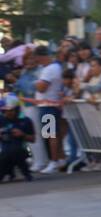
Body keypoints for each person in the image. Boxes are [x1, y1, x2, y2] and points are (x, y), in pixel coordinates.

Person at [32, 45, 67, 174]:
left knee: (51, 135)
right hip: (49, 105)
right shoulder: (53, 67)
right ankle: (60, 159)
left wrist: (35, 83)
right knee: (54, 135)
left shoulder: (49, 69)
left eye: (36, 57)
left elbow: (41, 87)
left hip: (48, 105)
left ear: (40, 56)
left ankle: (54, 161)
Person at [0, 94, 35, 182]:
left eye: (11, 110)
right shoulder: (1, 120)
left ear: (17, 109)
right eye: (5, 111)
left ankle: (25, 172)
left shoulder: (26, 120)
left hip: (21, 149)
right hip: (3, 151)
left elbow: (33, 139)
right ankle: (9, 172)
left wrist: (22, 134)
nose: (8, 113)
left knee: (15, 150)